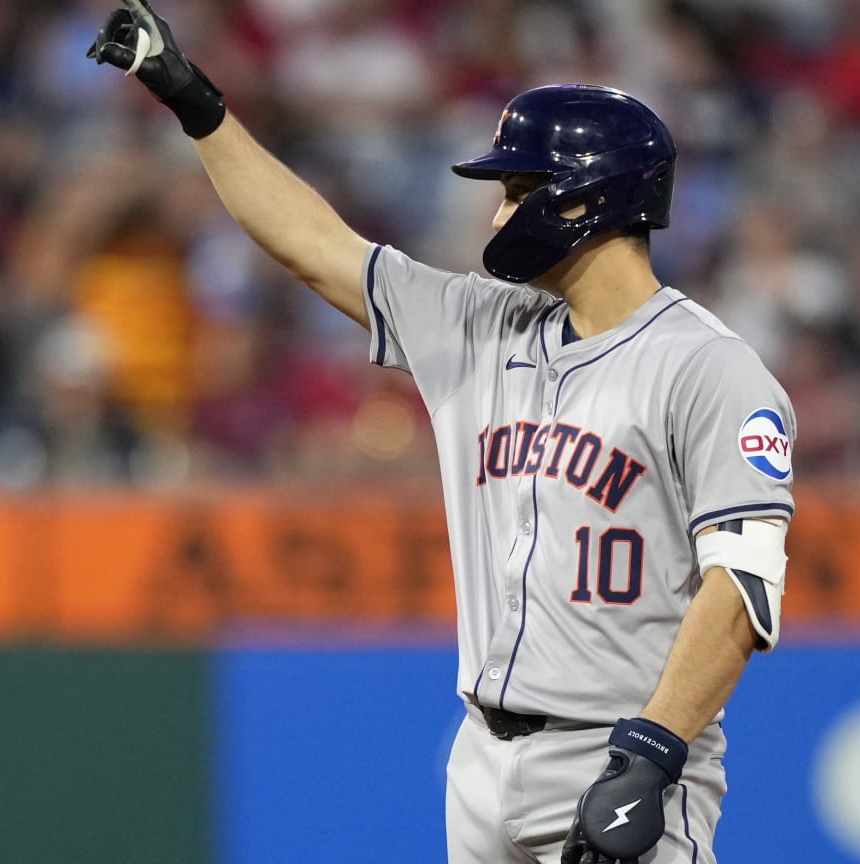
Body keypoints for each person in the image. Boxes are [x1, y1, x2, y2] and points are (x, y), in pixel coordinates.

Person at [88, 4, 796, 861]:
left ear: (588, 198)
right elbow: (315, 243)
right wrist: (198, 106)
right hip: (480, 758)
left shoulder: (709, 368)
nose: (499, 215)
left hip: (617, 751)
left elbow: (744, 591)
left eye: (518, 189)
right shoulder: (478, 324)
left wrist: (651, 754)